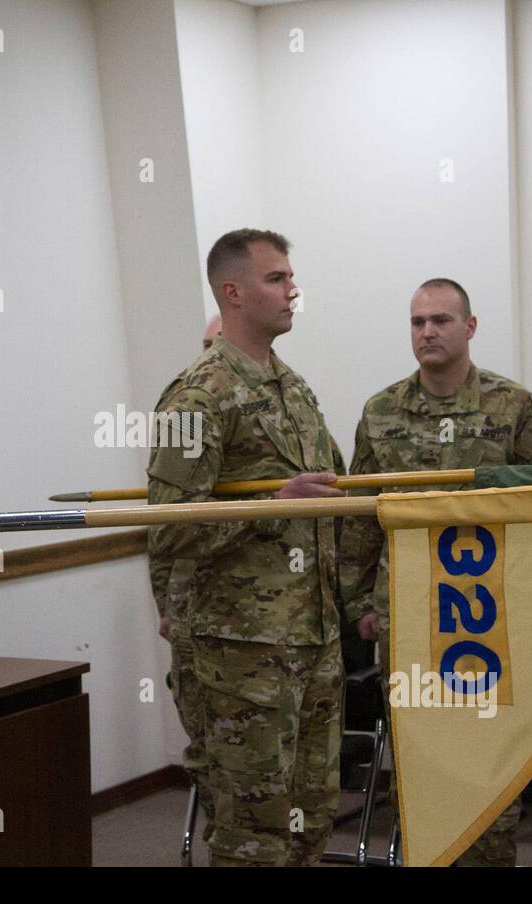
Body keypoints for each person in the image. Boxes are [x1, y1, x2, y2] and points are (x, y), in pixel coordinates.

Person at [338, 277, 532, 866]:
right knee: (419, 759)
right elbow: (362, 514)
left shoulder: (513, 407)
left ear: (470, 326)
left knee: (491, 758)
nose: (428, 332)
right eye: (418, 322)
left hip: (491, 616)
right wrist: (359, 602)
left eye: (441, 320)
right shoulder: (381, 412)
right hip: (407, 616)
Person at [147, 229, 344, 866]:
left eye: (290, 277)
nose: (293, 290)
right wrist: (272, 507)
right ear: (232, 293)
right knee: (253, 831)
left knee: (312, 816)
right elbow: (170, 526)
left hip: (314, 636)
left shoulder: (294, 388)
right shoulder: (196, 396)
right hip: (243, 653)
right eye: (276, 278)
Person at [149, 312, 223, 848]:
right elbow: (164, 533)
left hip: (273, 624)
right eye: (205, 344)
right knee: (214, 754)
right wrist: (166, 607)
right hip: (197, 620)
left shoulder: (287, 403)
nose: (210, 355)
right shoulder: (188, 409)